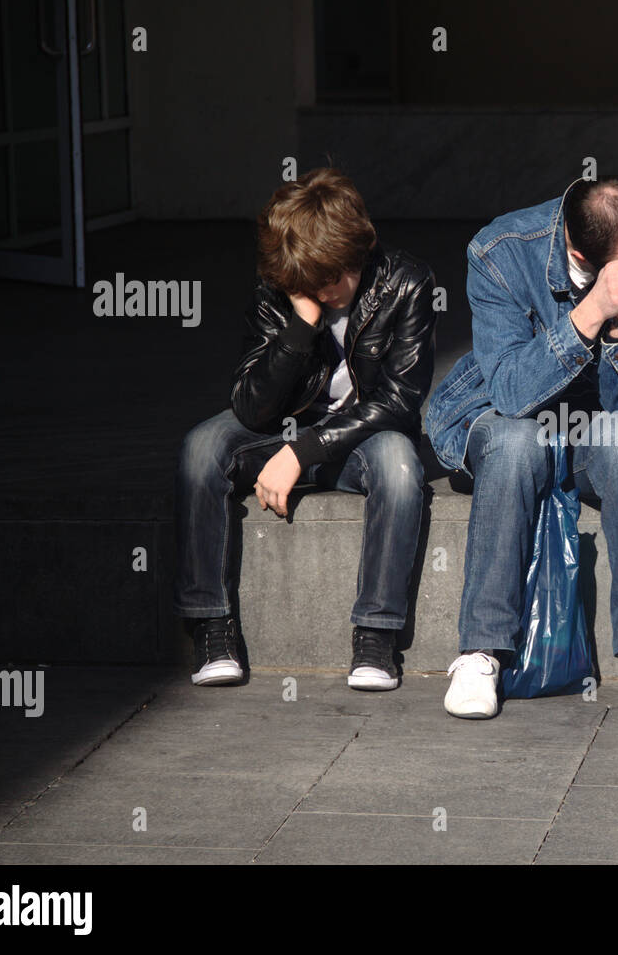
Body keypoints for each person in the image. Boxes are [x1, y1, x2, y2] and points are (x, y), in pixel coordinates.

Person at [425, 176, 618, 721]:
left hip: (599, 419)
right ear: (578, 254)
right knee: (517, 444)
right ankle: (481, 652)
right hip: (504, 412)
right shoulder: (501, 251)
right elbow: (511, 393)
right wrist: (592, 312)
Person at [173, 168, 435, 692]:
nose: (322, 291)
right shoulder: (283, 286)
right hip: (283, 428)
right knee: (202, 447)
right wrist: (301, 325)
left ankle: (376, 635)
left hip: (359, 439)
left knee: (401, 465)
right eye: (306, 284)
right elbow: (250, 408)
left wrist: (301, 452)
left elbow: (400, 402)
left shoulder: (407, 282)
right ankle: (210, 624)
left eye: (332, 279)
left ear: (359, 252)